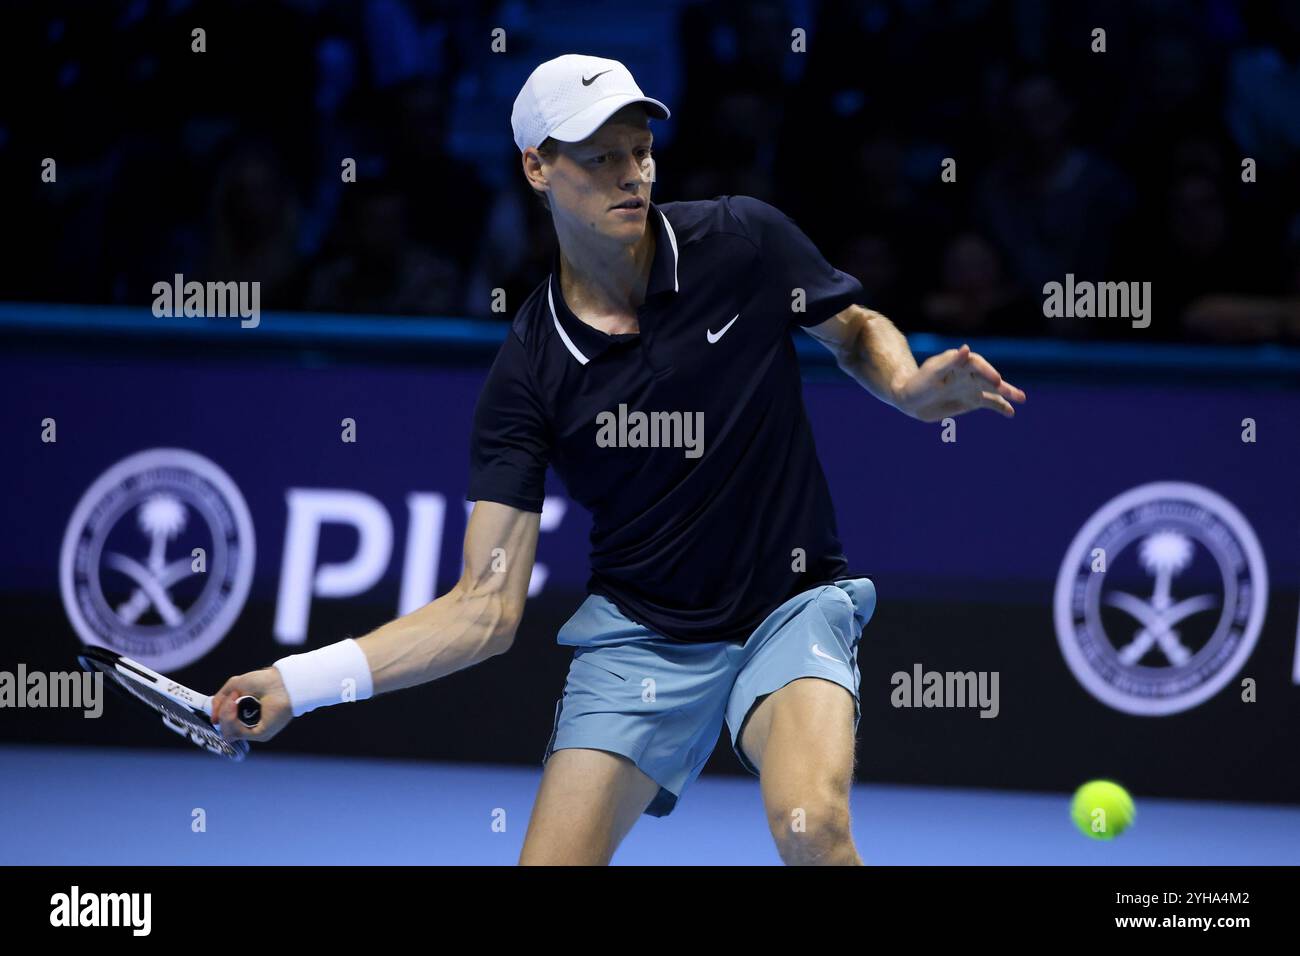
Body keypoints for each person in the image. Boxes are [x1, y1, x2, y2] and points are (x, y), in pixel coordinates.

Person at [210, 54, 1026, 865]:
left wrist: (909, 385)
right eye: (601, 158)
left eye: (640, 151)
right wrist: (297, 682)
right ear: (538, 167)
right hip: (639, 639)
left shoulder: (740, 240)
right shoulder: (528, 373)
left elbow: (852, 327)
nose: (632, 174)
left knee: (811, 826)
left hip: (788, 605)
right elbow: (482, 611)